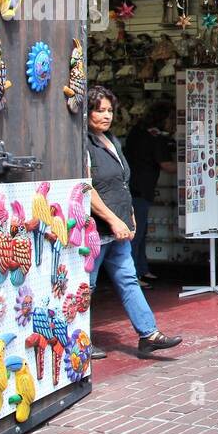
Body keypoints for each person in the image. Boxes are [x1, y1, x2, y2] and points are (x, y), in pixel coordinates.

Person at [86, 87, 183, 358]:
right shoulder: (83, 144)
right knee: (87, 285)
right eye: (99, 110)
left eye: (109, 110)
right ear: (87, 112)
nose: (106, 116)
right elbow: (87, 189)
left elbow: (121, 182)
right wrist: (112, 219)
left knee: (128, 279)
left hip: (118, 227)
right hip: (97, 230)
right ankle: (79, 339)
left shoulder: (111, 140)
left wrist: (127, 215)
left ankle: (148, 333)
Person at [125, 101, 176, 286]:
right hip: (141, 189)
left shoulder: (137, 130)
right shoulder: (156, 136)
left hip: (130, 186)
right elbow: (166, 165)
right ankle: (134, 276)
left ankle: (142, 270)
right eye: (171, 118)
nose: (173, 123)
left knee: (139, 232)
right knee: (137, 234)